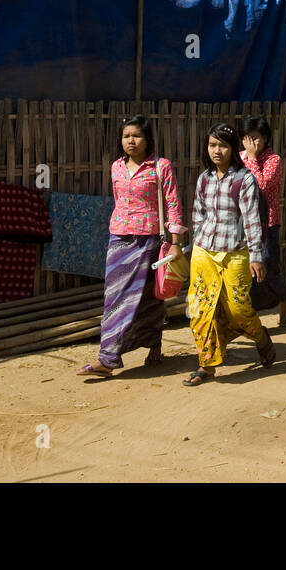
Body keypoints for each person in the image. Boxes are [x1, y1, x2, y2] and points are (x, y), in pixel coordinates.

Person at [78, 115, 183, 377]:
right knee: (115, 297)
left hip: (148, 239)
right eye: (126, 136)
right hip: (118, 238)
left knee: (149, 296)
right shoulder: (115, 167)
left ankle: (147, 345)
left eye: (136, 135)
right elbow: (118, 201)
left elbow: (173, 204)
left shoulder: (161, 167)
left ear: (147, 139)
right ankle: (110, 356)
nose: (131, 141)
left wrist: (175, 242)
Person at [183, 123, 277, 385]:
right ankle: (207, 365)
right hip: (204, 251)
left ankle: (261, 337)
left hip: (236, 253)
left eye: (223, 145)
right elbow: (198, 216)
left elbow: (251, 221)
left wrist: (256, 256)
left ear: (233, 149)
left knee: (237, 310)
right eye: (212, 145)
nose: (217, 151)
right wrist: (194, 246)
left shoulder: (244, 179)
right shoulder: (204, 178)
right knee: (201, 309)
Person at [240, 115, 286, 327]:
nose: (250, 144)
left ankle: (284, 302)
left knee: (269, 265)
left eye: (255, 139)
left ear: (265, 138)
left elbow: (260, 187)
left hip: (268, 222)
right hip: (244, 224)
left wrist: (252, 159)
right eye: (246, 139)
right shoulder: (239, 158)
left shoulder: (274, 160)